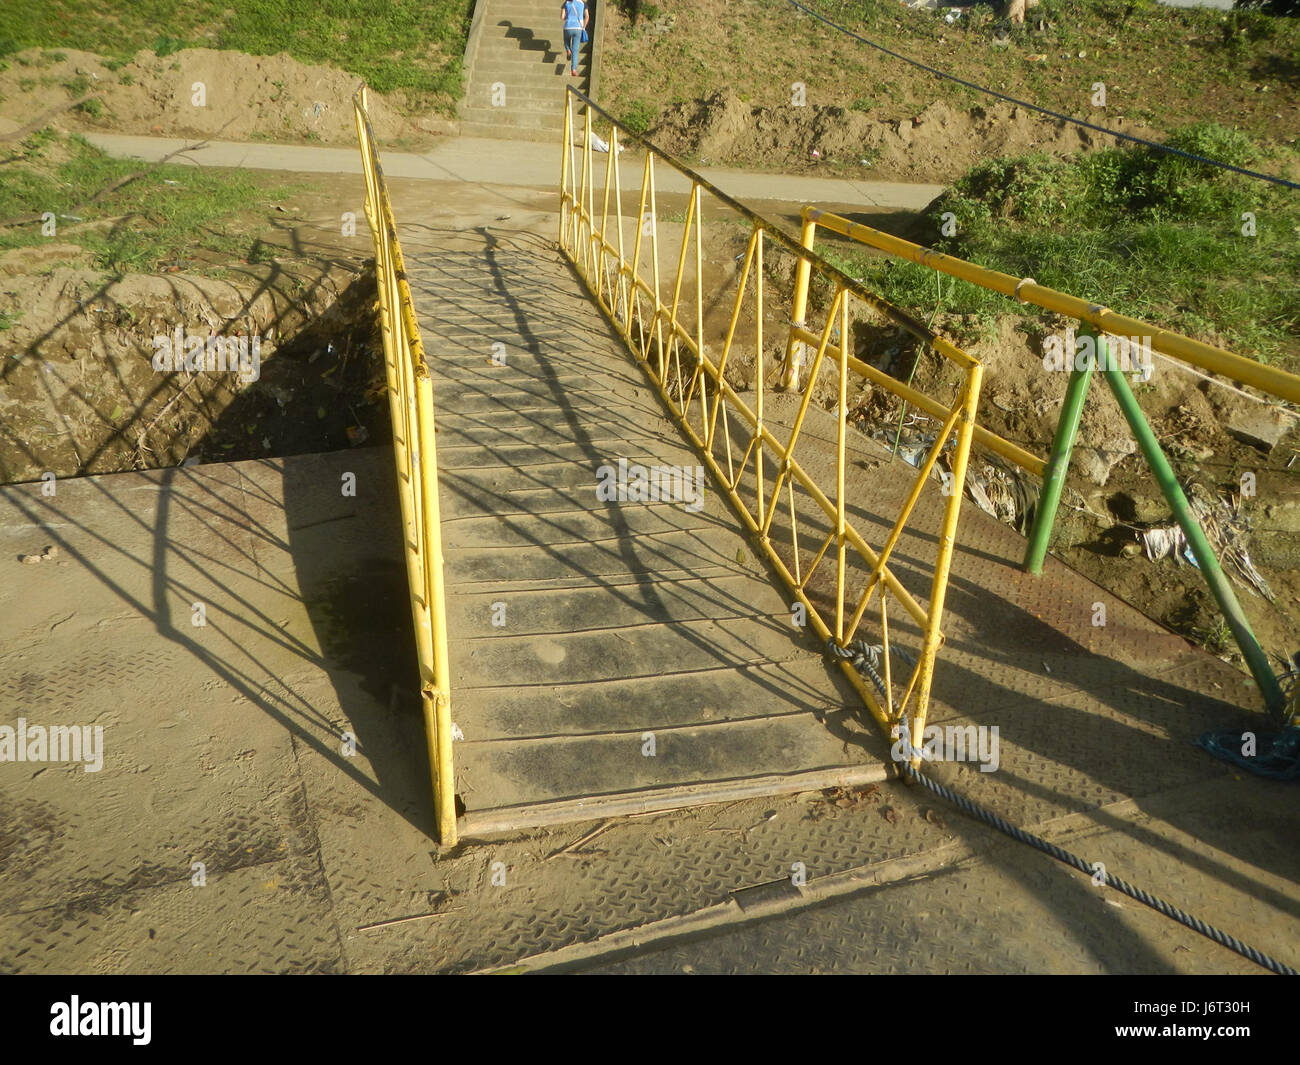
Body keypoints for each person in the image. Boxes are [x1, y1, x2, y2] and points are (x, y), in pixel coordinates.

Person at [561, 0, 589, 78]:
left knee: (566, 41)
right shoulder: (583, 3)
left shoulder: (566, 3)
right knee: (575, 50)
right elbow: (587, 16)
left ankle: (568, 50)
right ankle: (573, 69)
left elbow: (562, 17)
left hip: (568, 27)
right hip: (578, 28)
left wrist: (568, 17)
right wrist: (583, 27)